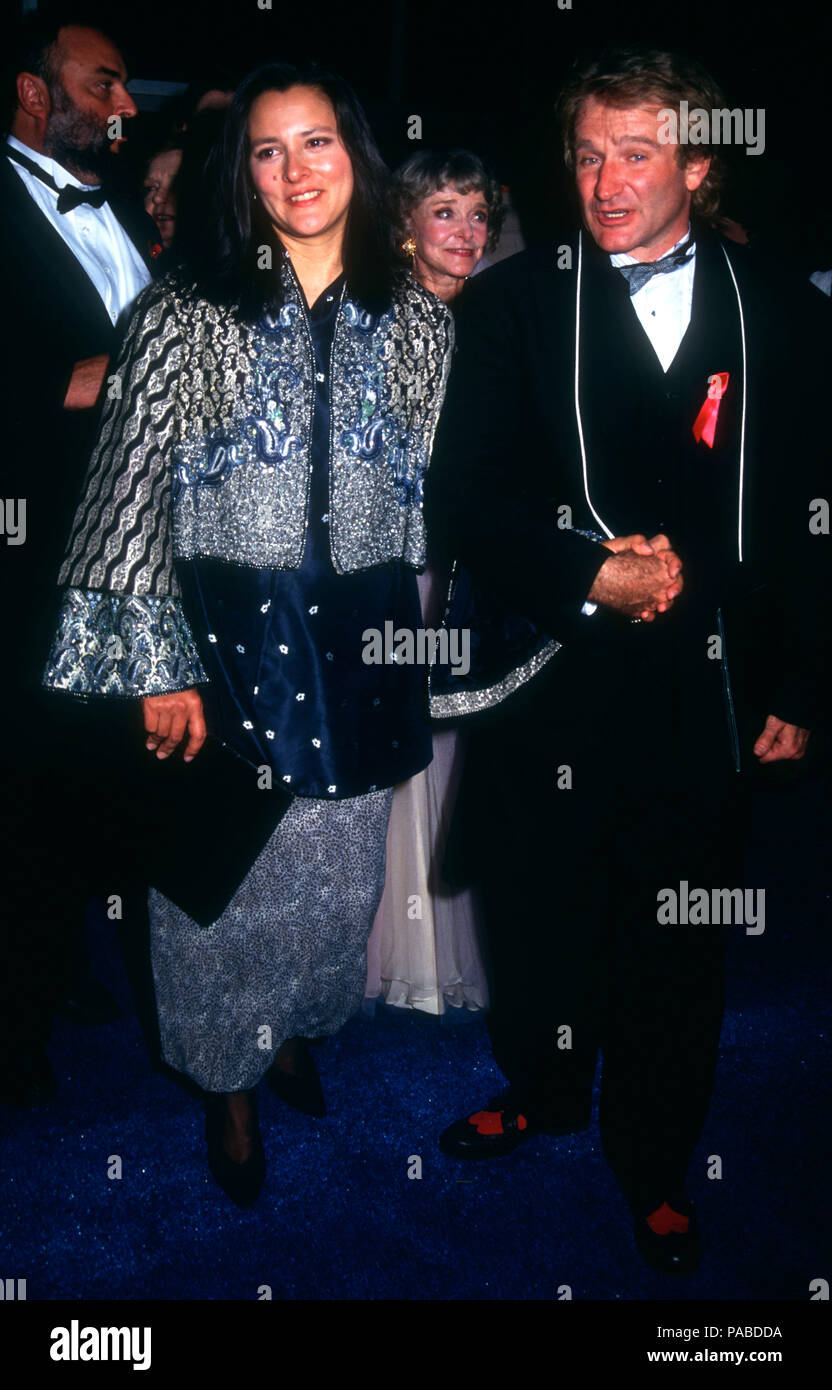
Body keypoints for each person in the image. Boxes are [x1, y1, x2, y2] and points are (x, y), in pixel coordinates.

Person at [427, 45, 828, 1274]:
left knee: (676, 933)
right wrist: (585, 567)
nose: (603, 181)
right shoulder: (511, 303)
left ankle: (654, 1161)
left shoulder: (789, 311)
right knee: (539, 915)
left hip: (707, 685)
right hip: (551, 668)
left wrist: (805, 688)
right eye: (586, 154)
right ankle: (543, 1087)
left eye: (635, 153)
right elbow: (462, 498)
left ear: (697, 165)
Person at [42, 60, 453, 1206]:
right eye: (268, 150)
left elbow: (427, 499)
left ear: (355, 155)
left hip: (361, 651)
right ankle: (226, 1085)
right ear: (245, 172)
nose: (294, 169)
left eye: (315, 142)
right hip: (223, 648)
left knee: (329, 887)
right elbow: (123, 495)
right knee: (213, 889)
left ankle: (290, 1030)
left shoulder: (416, 320)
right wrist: (156, 668)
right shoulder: (183, 308)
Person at [0, 14, 167, 1107]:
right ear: (31, 92)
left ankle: (52, 968)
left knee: (80, 783)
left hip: (119, 555)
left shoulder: (115, 211)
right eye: (104, 81)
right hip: (23, 558)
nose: (125, 104)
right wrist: (123, 373)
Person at [367, 150, 503, 1014]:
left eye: (479, 213)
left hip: (476, 567)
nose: (466, 231)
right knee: (408, 748)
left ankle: (456, 945)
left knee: (461, 750)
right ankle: (403, 955)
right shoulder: (386, 319)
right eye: (445, 211)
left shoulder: (495, 315)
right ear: (407, 225)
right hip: (406, 567)